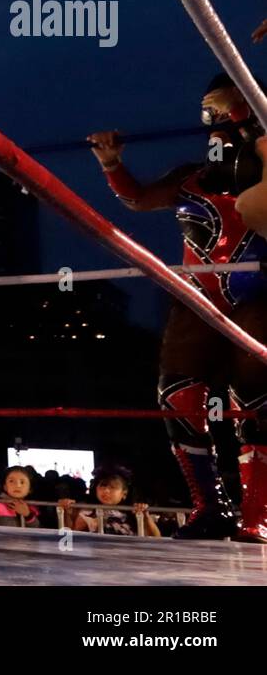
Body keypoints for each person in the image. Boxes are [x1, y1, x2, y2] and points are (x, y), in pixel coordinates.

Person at [89, 73, 267, 542]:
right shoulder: (191, 176)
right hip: (196, 298)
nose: (213, 120)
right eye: (207, 110)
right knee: (178, 396)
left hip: (257, 295)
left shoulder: (264, 165)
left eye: (223, 108)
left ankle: (257, 516)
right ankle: (210, 508)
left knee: (254, 403)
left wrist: (249, 121)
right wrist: (112, 163)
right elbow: (137, 199)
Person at [59, 469, 161, 538]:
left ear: (124, 493)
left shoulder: (134, 512)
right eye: (102, 486)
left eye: (113, 487)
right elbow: (72, 536)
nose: (106, 491)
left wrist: (145, 516)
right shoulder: (87, 512)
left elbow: (156, 538)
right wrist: (67, 512)